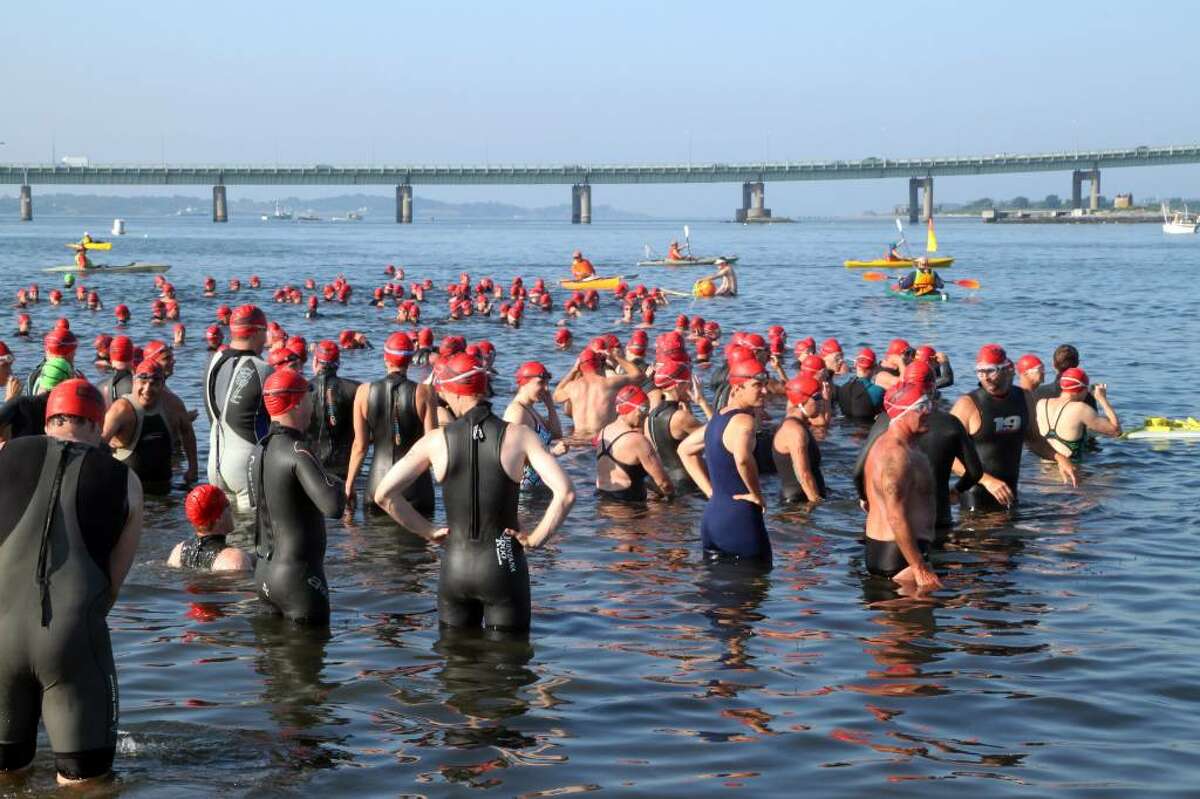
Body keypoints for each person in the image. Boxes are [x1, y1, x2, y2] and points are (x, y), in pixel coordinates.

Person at [0, 379, 142, 785]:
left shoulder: (6, 455)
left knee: (6, 776)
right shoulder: (124, 480)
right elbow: (111, 586)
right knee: (86, 786)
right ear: (99, 429)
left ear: (48, 424)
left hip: (0, 636)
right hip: (72, 640)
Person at [373, 352, 575, 633]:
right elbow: (565, 493)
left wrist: (428, 531)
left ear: (453, 392)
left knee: (455, 667)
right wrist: (536, 539)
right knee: (508, 667)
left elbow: (384, 495)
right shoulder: (519, 436)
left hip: (455, 564)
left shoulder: (435, 441)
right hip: (504, 564)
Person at [248, 368, 344, 625]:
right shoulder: (298, 452)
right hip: (298, 580)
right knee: (306, 662)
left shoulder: (259, 449)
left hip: (264, 574)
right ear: (298, 402)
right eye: (309, 400)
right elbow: (333, 507)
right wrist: (341, 483)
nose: (313, 407)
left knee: (270, 660)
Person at [853, 360, 983, 530]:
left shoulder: (886, 419)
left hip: (894, 518)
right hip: (937, 517)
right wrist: (957, 491)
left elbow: (858, 471)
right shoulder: (951, 424)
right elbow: (975, 472)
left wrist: (865, 496)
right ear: (933, 387)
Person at [950, 344, 1075, 513]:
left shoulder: (1023, 398)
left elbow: (1034, 439)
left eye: (991, 371)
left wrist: (1059, 458)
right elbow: (949, 455)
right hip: (976, 496)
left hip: (1010, 493)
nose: (985, 377)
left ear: (1007, 369)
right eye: (980, 371)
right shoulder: (968, 405)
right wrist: (986, 480)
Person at [677, 359, 772, 564]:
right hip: (740, 519)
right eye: (757, 386)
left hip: (713, 518)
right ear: (737, 388)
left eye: (765, 385)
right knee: (754, 590)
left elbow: (685, 450)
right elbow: (743, 460)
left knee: (715, 590)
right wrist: (756, 494)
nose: (765, 391)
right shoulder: (744, 421)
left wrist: (712, 492)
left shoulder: (718, 418)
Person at [345, 332, 438, 518]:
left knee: (375, 545)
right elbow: (433, 446)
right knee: (418, 545)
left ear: (385, 358)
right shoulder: (425, 393)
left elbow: (359, 446)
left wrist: (349, 484)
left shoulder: (363, 392)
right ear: (410, 359)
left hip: (377, 484)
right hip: (416, 486)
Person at [861, 381, 941, 588]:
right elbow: (895, 516)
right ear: (902, 413)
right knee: (917, 619)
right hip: (899, 557)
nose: (929, 411)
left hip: (893, 552)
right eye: (922, 406)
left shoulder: (899, 446)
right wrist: (919, 567)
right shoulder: (894, 457)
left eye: (930, 404)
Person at [204, 305, 271, 511]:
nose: (266, 339)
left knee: (227, 532)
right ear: (256, 331)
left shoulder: (213, 360)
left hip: (214, 461)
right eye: (264, 332)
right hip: (245, 463)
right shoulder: (263, 369)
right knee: (252, 535)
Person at [101, 361, 181, 495]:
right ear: (134, 382)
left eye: (154, 383)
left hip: (164, 486)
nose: (147, 388)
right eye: (143, 382)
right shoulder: (121, 409)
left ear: (162, 385)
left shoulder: (172, 403)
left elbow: (188, 433)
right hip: (128, 488)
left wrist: (193, 468)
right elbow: (101, 444)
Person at [595, 385, 673, 502]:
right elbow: (663, 483)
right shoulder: (637, 440)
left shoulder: (604, 431)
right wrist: (676, 500)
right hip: (627, 505)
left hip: (601, 499)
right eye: (643, 409)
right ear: (629, 408)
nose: (646, 414)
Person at [645, 359, 710, 493]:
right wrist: (702, 402)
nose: (690, 388)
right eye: (688, 383)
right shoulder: (680, 418)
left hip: (658, 482)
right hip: (684, 482)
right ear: (676, 385)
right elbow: (718, 435)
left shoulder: (650, 416)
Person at [503, 361, 567, 493]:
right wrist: (552, 453)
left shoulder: (530, 409)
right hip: (522, 493)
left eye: (547, 383)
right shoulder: (517, 412)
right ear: (524, 383)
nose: (546, 388)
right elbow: (509, 457)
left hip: (535, 489)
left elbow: (556, 434)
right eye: (541, 383)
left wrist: (550, 406)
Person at [1035, 368, 1121, 462]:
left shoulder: (1042, 404)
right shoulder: (1080, 409)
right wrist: (1102, 399)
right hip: (1070, 472)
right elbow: (1116, 431)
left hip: (1044, 472)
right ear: (1082, 389)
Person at [552, 347, 641, 437]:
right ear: (598, 364)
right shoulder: (609, 383)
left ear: (580, 367)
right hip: (600, 439)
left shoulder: (572, 387)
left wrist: (573, 370)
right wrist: (616, 357)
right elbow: (637, 376)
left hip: (577, 439)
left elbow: (555, 397)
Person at [305, 340, 360, 480]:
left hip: (309, 467)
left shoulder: (301, 390)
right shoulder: (356, 389)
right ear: (339, 363)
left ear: (315, 361)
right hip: (343, 468)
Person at [167, 484, 253, 571]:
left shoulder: (177, 553)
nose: (231, 509)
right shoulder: (235, 560)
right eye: (227, 505)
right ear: (218, 518)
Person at [772, 375, 828, 503]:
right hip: (797, 506)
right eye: (817, 398)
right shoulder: (794, 431)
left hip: (802, 500)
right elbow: (803, 474)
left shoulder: (797, 424)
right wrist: (817, 503)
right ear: (801, 401)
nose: (821, 401)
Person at [835, 347, 885, 421]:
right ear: (875, 367)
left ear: (855, 365)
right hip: (867, 430)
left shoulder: (842, 388)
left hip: (844, 428)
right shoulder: (877, 391)